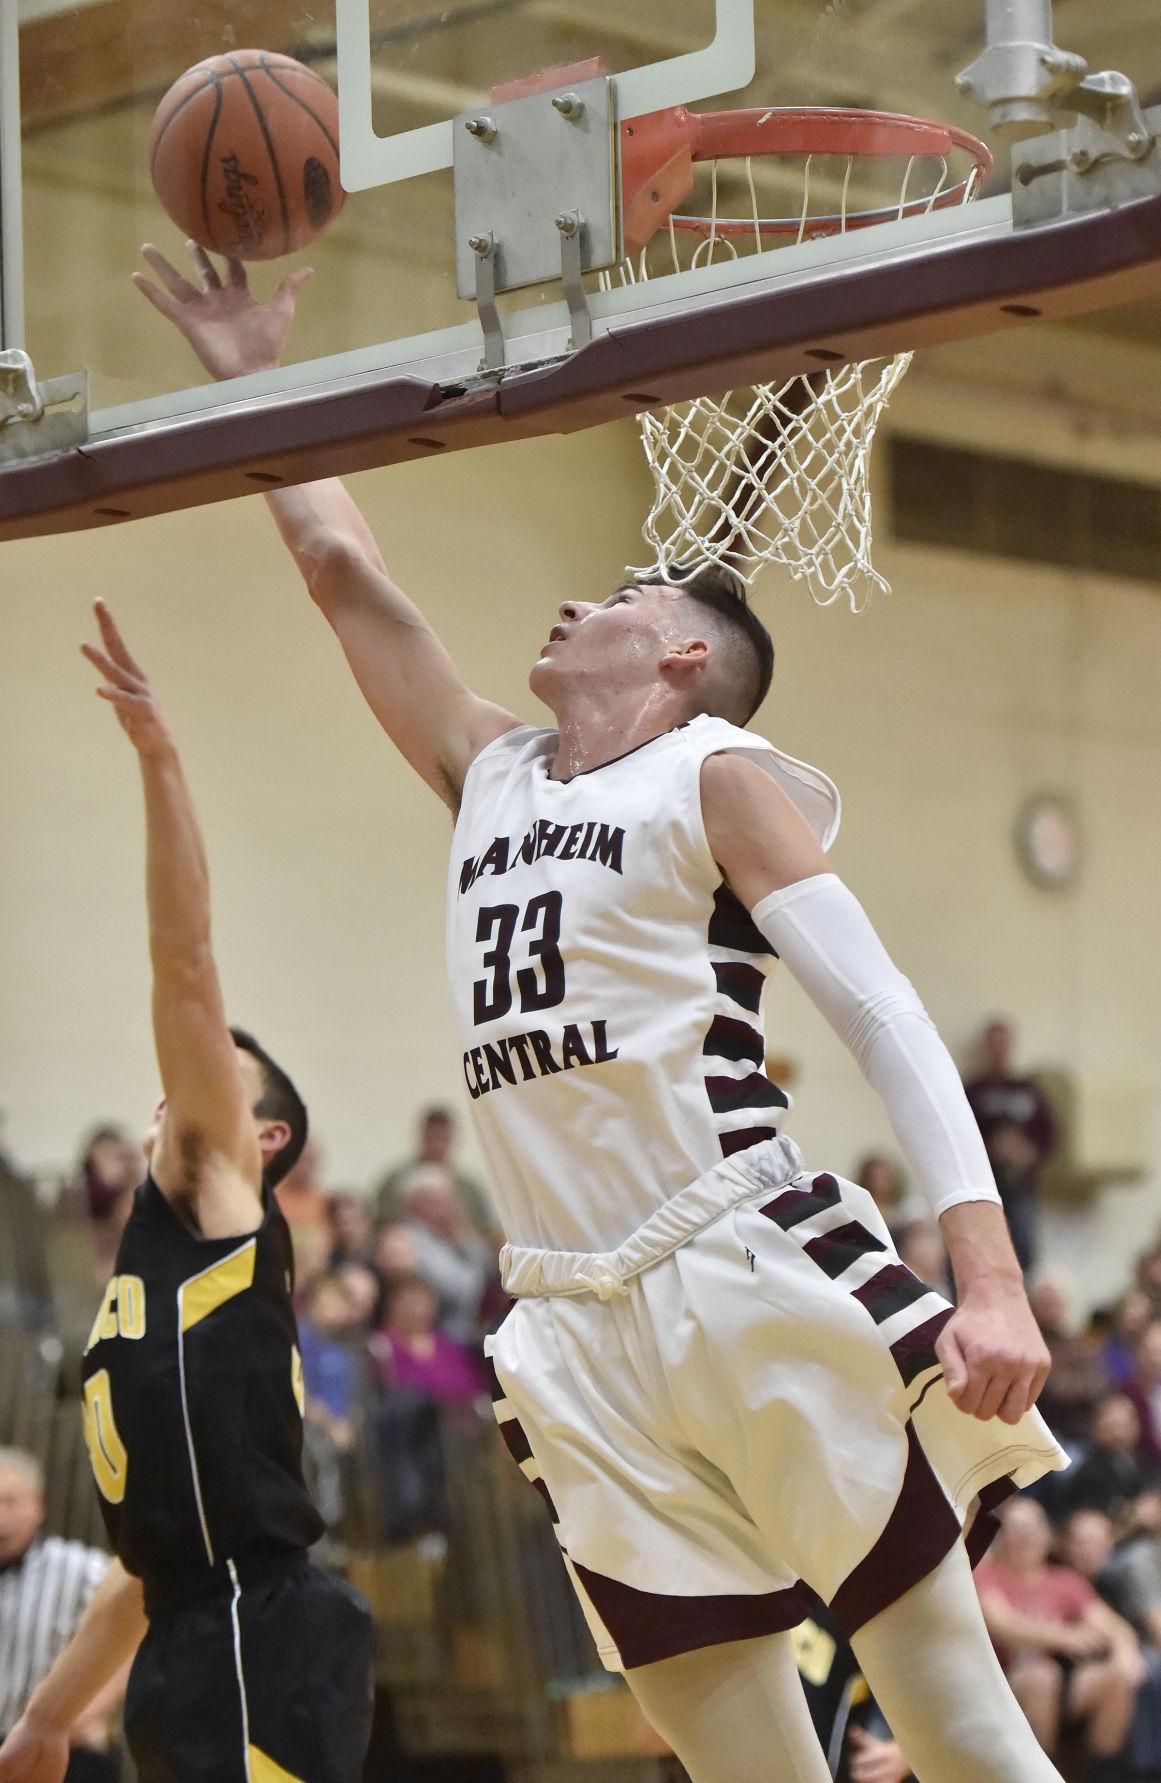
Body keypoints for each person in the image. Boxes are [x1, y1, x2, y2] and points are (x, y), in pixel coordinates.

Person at [136, 242, 1068, 1783]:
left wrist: (992, 1277)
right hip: (569, 1315)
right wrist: (258, 383)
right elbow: (342, 577)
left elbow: (885, 1011)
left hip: (737, 1252)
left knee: (960, 1731)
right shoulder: (492, 772)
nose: (579, 596)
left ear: (686, 658)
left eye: (624, 595)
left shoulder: (715, 775)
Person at [0, 604, 374, 1783]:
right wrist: (52, 1717)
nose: (185, 1075)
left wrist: (163, 764)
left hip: (269, 1630)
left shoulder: (225, 1202)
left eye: (221, 1065)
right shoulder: (147, 1273)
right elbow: (140, 1573)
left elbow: (185, 963)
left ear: (263, 1135)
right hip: (188, 1634)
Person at [974, 1497, 1144, 1780]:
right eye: (1017, 1528)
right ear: (1002, 1535)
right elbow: (1002, 1625)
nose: (1026, 1535)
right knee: (1043, 1676)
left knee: (1117, 1678)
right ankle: (1039, 1774)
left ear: (1047, 1533)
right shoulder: (987, 1574)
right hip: (1001, 1682)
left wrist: (1125, 1653)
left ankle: (1105, 1775)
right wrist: (1066, 1637)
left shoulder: (1063, 1580)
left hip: (1062, 1684)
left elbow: (1114, 1627)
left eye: (1033, 1527)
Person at [0, 1450, 124, 1782]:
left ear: (37, 1505)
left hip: (64, 1749)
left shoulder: (80, 1567)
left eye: (9, 1501)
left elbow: (134, 1633)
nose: (0, 1516)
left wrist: (82, 1712)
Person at [963, 1019, 1057, 1275]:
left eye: (1003, 1043)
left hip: (1022, 1188)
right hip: (982, 1189)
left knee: (1024, 1253)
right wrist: (992, 1147)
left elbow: (1050, 1134)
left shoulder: (1029, 1090)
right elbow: (957, 1136)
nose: (998, 1050)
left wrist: (1027, 1152)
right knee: (982, 1254)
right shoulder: (972, 1091)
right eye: (993, 1044)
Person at [376, 1106, 495, 1242]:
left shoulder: (469, 1188)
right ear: (422, 1137)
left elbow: (486, 1233)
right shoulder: (395, 1182)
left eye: (443, 1138)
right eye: (433, 1137)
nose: (438, 1145)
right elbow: (382, 1227)